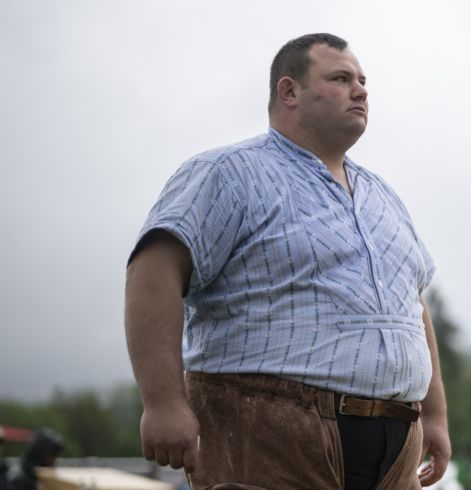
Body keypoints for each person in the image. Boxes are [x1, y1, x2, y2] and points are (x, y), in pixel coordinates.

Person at [124, 33, 450, 489]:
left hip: (396, 451)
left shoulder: (384, 196)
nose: (360, 91)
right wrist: (162, 403)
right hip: (265, 435)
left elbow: (412, 306)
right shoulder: (228, 172)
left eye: (362, 81)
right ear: (289, 91)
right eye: (341, 79)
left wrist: (434, 415)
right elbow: (153, 271)